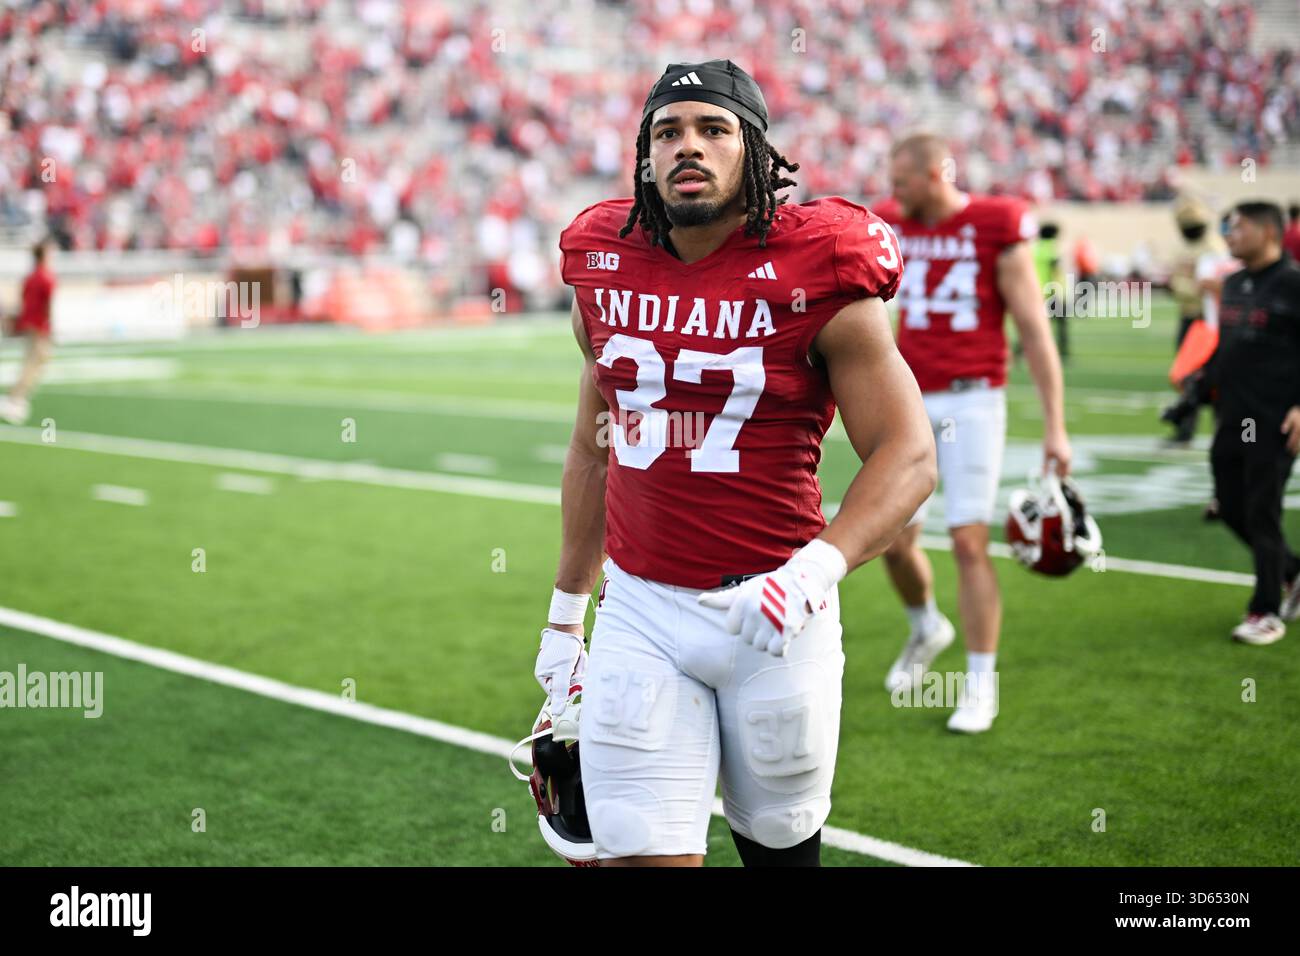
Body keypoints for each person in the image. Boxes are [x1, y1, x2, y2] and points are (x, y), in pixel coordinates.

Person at [538, 59, 936, 866]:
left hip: (774, 608)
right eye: (668, 131)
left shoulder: (820, 264)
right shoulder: (601, 259)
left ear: (754, 151)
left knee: (780, 853)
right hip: (641, 609)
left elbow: (910, 453)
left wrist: (815, 573)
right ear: (645, 156)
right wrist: (563, 609)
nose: (689, 147)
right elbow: (594, 444)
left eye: (713, 129)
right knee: (640, 852)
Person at [872, 134, 1071, 734]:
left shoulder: (995, 222)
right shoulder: (889, 221)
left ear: (936, 174)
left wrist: (1055, 428)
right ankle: (926, 625)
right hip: (905, 397)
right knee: (893, 542)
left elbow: (1034, 330)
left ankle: (980, 686)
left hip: (972, 398)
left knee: (967, 541)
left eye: (903, 180)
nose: (894, 192)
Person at [1197, 202, 1300, 645]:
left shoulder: (1294, 283)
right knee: (1227, 502)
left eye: (1237, 228)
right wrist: (1196, 392)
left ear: (1267, 232)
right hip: (1234, 417)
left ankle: (1265, 611)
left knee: (1262, 511)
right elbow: (1228, 348)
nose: (1229, 236)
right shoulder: (1234, 283)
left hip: (1275, 418)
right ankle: (1293, 573)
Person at [1165, 195, 1235, 445]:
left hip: (1208, 321)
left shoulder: (1214, 249)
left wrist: (1183, 286)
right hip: (1189, 317)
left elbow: (1203, 287)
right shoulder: (1187, 247)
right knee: (1186, 376)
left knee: (1212, 377)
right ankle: (1185, 428)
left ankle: (1221, 429)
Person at [1, 240, 56, 425]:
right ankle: (17, 399)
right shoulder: (47, 277)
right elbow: (47, 305)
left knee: (33, 361)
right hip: (39, 324)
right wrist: (50, 326)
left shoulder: (31, 277)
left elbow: (23, 300)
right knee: (34, 363)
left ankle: (17, 397)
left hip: (29, 323)